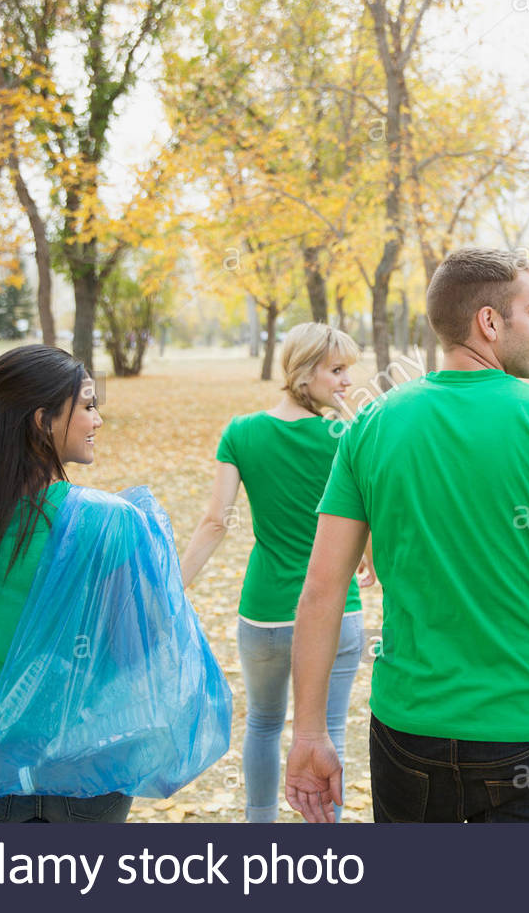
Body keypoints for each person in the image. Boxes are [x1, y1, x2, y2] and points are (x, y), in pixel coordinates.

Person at [283, 247, 529, 823]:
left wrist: (310, 734)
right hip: (526, 735)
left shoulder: (370, 424)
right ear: (490, 323)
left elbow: (320, 590)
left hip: (408, 734)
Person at [0, 344, 129, 822]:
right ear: (42, 421)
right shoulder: (105, 522)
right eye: (86, 404)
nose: (97, 419)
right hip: (85, 756)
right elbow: (134, 650)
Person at [181, 322, 367, 823]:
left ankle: (258, 831)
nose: (348, 381)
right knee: (328, 732)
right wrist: (369, 558)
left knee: (262, 725)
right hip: (335, 614)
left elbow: (216, 520)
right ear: (304, 373)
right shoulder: (347, 437)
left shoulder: (241, 433)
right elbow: (368, 517)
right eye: (337, 370)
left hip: (263, 614)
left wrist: (173, 589)